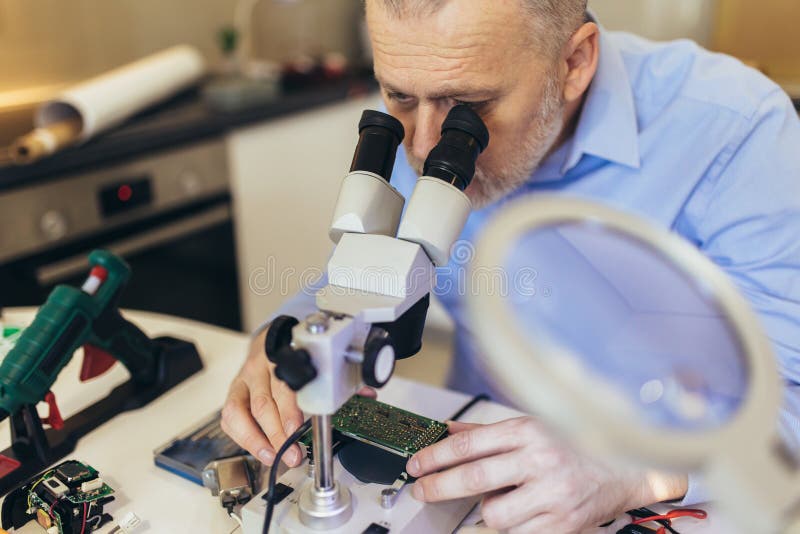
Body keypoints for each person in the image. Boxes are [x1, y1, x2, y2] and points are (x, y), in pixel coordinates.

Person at [222, 0, 800, 531]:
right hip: (464, 465)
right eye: (398, 98)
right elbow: (355, 275)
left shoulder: (737, 132)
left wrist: (636, 466)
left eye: (467, 109)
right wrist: (290, 343)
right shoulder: (428, 102)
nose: (423, 148)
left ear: (574, 62)